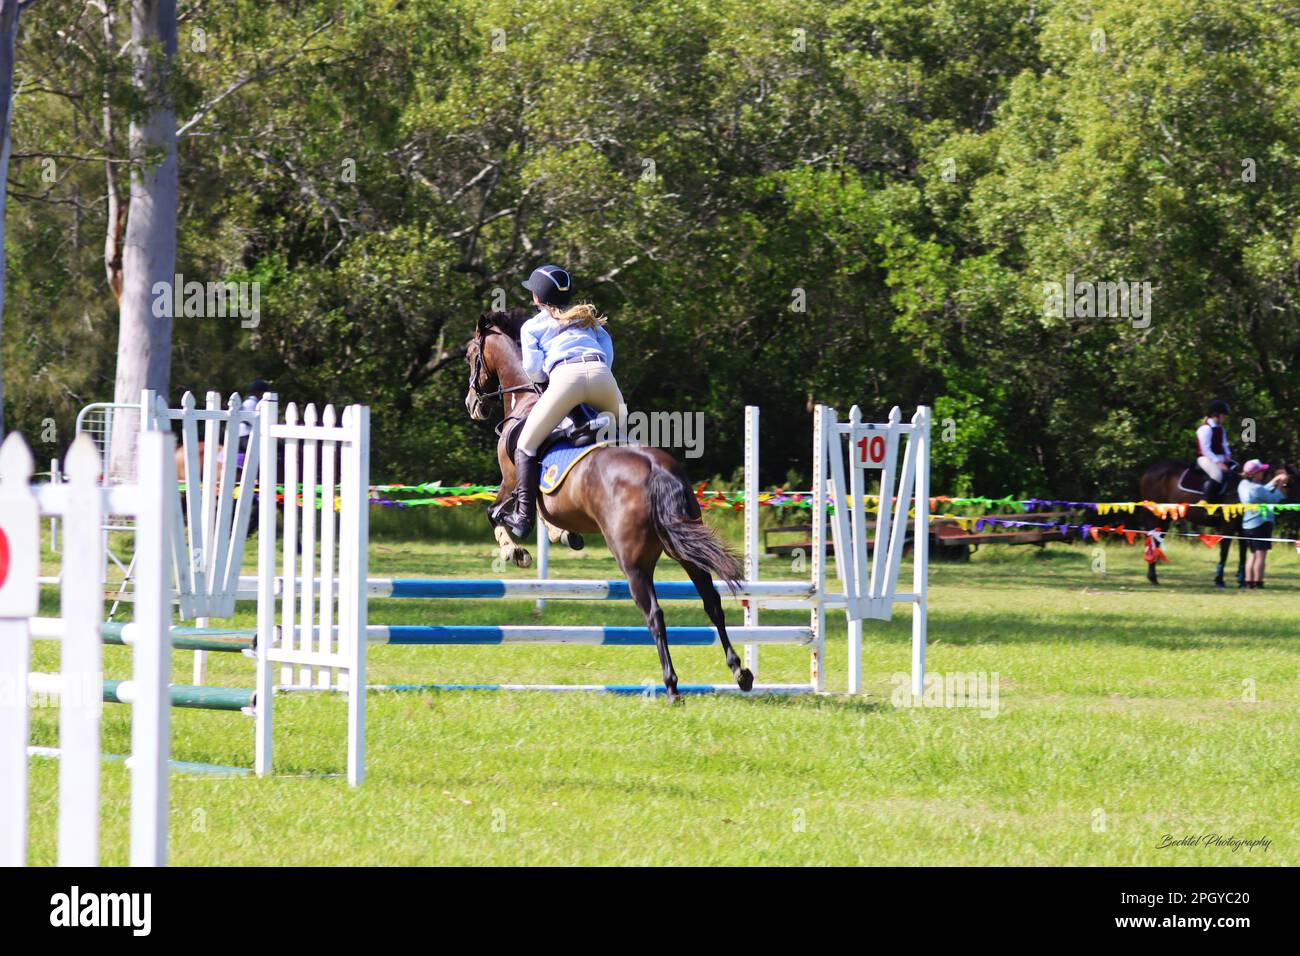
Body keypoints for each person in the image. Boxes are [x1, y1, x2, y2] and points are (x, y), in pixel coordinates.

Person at [499, 265, 624, 539]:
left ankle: (523, 516)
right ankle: (593, 428)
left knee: (525, 444)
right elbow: (608, 351)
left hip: (566, 379)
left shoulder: (532, 326)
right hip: (602, 375)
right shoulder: (588, 319)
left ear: (537, 297)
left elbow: (533, 370)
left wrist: (550, 377)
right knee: (625, 435)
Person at [1237, 460, 1288, 589]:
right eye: (1260, 471)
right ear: (1254, 474)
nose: (1263, 473)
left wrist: (1274, 481)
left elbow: (1263, 491)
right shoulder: (1257, 488)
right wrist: (1281, 485)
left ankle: (1249, 582)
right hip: (1261, 523)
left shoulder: (1242, 484)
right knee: (1261, 555)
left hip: (1247, 524)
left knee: (1253, 554)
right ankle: (1258, 582)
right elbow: (1273, 498)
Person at [1195, 399, 1236, 497]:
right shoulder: (1205, 428)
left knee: (1236, 468)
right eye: (1224, 415)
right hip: (1205, 458)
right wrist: (1218, 463)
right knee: (1217, 475)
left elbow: (1224, 445)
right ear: (1216, 415)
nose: (1225, 417)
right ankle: (1207, 501)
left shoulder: (1221, 428)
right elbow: (1205, 450)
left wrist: (1228, 455)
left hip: (1219, 458)